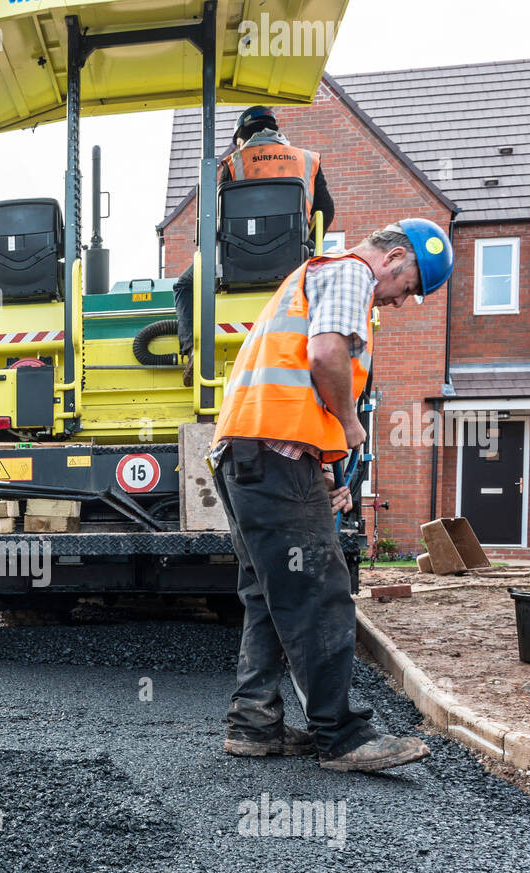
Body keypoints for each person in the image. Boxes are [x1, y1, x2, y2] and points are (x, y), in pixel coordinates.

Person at [209, 218, 454, 773]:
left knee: (270, 593)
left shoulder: (309, 279)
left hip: (250, 457)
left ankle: (255, 723)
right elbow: (324, 356)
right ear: (395, 259)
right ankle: (341, 736)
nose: (400, 300)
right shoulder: (349, 274)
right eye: (410, 286)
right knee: (319, 589)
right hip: (271, 459)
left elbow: (293, 380)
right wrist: (348, 426)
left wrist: (313, 458)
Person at [175, 106, 336, 384]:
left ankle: (192, 351)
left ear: (241, 137)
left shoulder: (233, 163)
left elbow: (215, 221)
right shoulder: (307, 160)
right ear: (275, 129)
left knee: (184, 285)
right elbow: (326, 210)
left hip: (237, 266)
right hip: (293, 260)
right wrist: (306, 245)